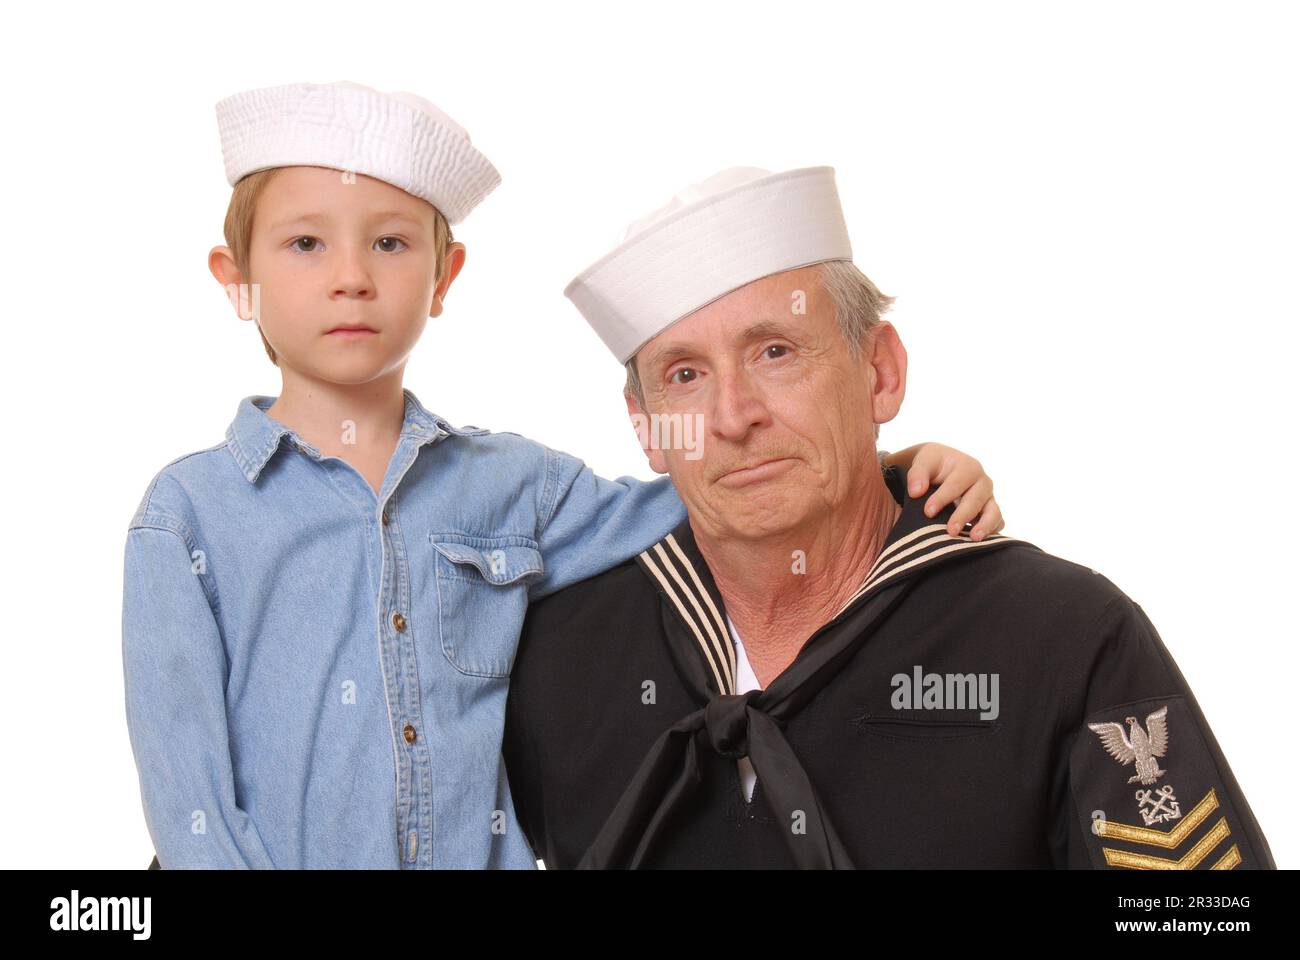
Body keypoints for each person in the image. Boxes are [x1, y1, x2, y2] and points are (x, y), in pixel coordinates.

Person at [125, 86, 1000, 869]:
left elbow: (708, 497)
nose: (352, 279)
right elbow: (188, 796)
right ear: (235, 279)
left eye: (390, 243)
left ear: (443, 276)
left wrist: (884, 465)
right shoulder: (190, 517)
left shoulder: (512, 486)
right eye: (306, 244)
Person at [502, 166, 1276, 869]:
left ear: (881, 372)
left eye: (775, 352)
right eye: (685, 375)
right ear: (645, 426)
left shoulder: (1064, 640)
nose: (733, 416)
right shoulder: (553, 660)